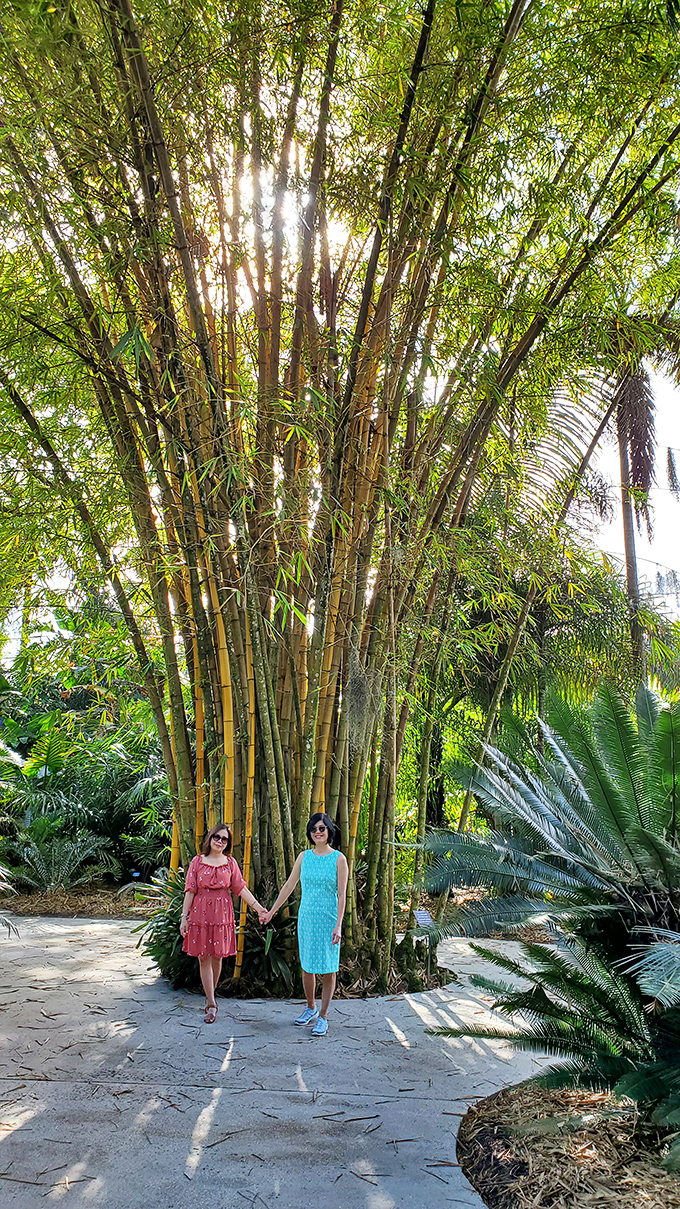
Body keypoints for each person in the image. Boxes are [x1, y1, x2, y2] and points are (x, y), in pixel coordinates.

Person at [262, 812, 348, 1037]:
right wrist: (272, 911)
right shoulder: (304, 857)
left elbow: (342, 894)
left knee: (329, 969)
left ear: (329, 831)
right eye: (313, 829)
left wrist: (338, 925)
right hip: (307, 918)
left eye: (322, 828)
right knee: (307, 966)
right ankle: (311, 1007)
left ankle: (324, 1016)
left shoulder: (339, 859)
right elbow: (289, 886)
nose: (317, 832)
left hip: (328, 918)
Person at [179, 822, 266, 1023]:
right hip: (200, 912)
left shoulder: (230, 863)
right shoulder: (197, 862)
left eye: (224, 839)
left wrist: (259, 907)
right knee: (203, 957)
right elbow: (190, 890)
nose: (219, 841)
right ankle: (211, 1003)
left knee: (217, 957)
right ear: (209, 838)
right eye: (216, 837)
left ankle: (211, 996)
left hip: (222, 914)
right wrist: (184, 917)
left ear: (228, 843)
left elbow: (240, 888)